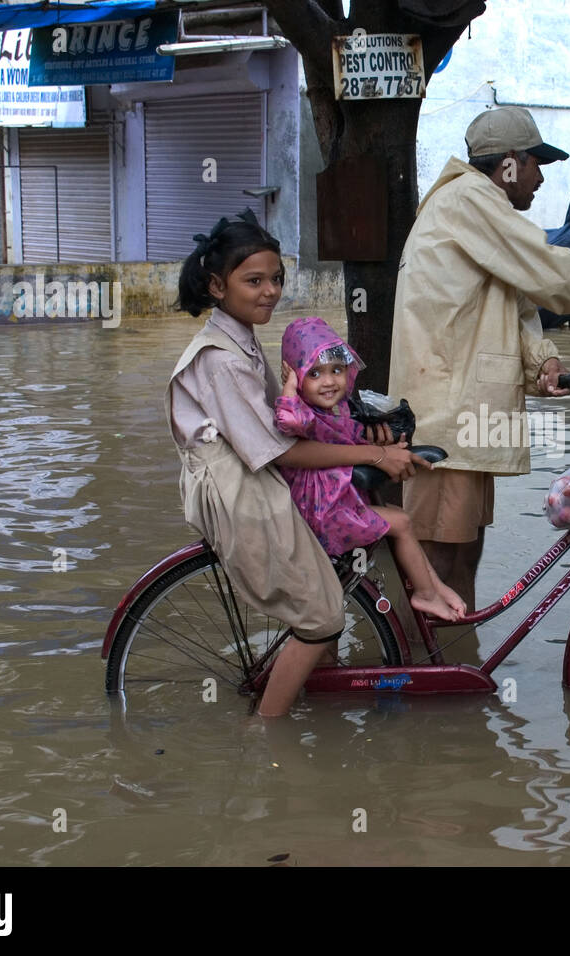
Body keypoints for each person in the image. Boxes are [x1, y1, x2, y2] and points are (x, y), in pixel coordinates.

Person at [389, 105, 570, 609]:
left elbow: (512, 296)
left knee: (465, 544)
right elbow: (543, 263)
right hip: (451, 412)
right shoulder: (470, 198)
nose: (541, 177)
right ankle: (426, 667)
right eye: (535, 164)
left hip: (468, 412)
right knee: (442, 551)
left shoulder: (475, 206)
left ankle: (458, 659)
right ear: (509, 163)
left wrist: (542, 359)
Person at [168, 215, 420, 717]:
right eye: (254, 281)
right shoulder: (222, 359)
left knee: (327, 592)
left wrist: (360, 427)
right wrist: (376, 455)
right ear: (217, 286)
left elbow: (292, 423)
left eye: (276, 278)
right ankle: (269, 738)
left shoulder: (242, 340)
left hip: (259, 481)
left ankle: (316, 701)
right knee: (322, 619)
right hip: (244, 494)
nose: (270, 292)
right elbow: (281, 451)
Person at [274, 315, 465, 622]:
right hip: (321, 511)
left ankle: (434, 587)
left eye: (336, 370)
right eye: (314, 373)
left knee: (398, 517)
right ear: (297, 376)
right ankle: (425, 594)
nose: (329, 381)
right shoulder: (304, 413)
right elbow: (287, 421)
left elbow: (354, 435)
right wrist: (289, 385)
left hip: (336, 500)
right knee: (400, 521)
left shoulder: (337, 410)